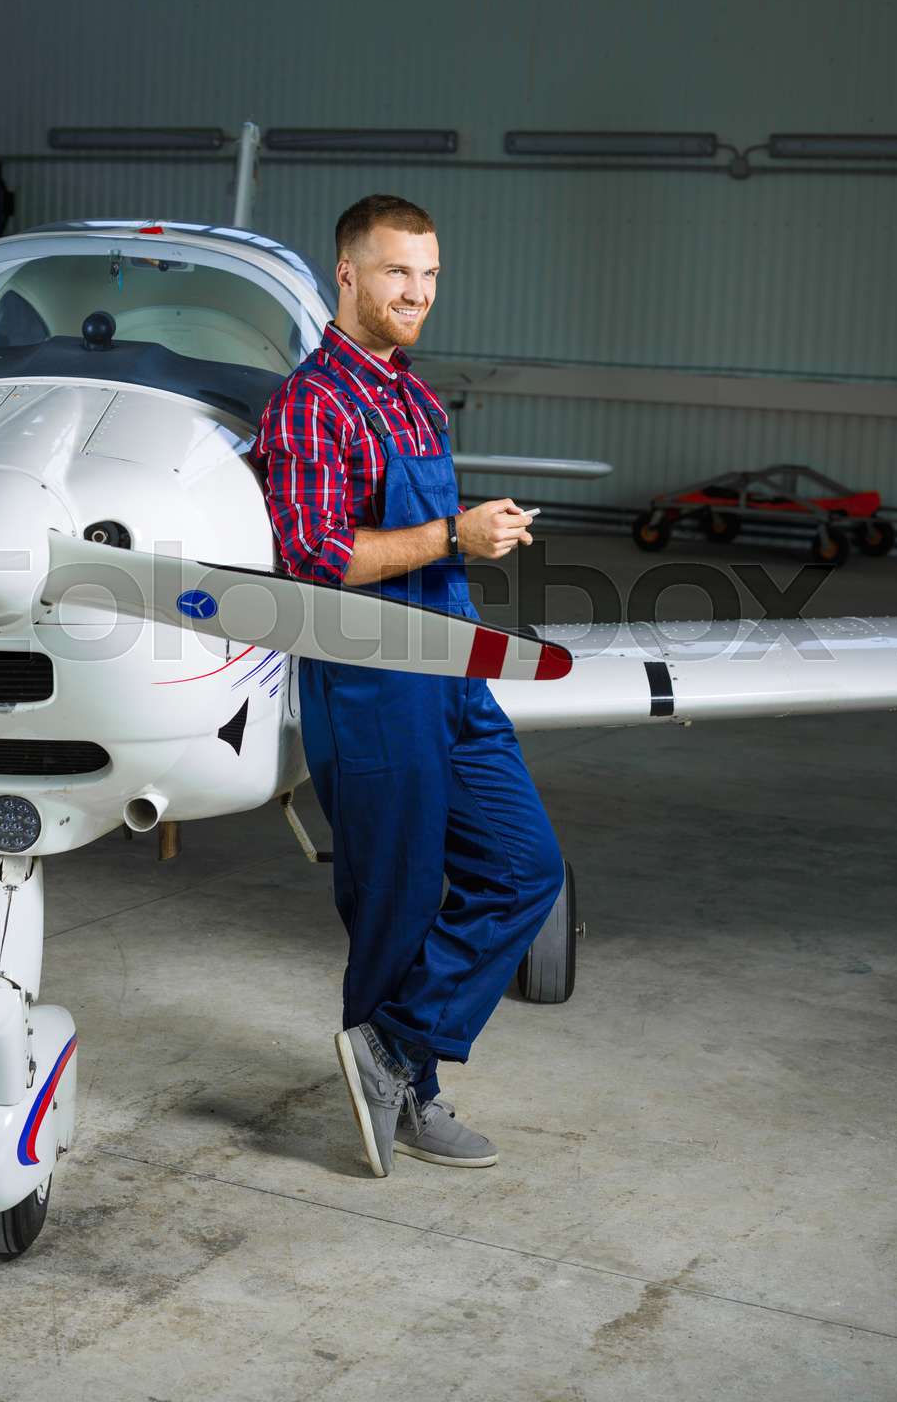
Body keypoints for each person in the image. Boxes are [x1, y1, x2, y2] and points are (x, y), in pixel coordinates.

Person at [251, 194, 563, 1177]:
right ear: (346, 274)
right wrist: (451, 534)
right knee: (394, 899)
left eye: (428, 276)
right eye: (397, 272)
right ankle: (406, 1095)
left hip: (449, 668)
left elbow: (425, 546)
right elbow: (315, 559)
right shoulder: (312, 403)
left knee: (524, 866)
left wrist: (470, 542)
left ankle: (391, 1049)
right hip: (371, 681)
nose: (417, 293)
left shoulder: (412, 396)